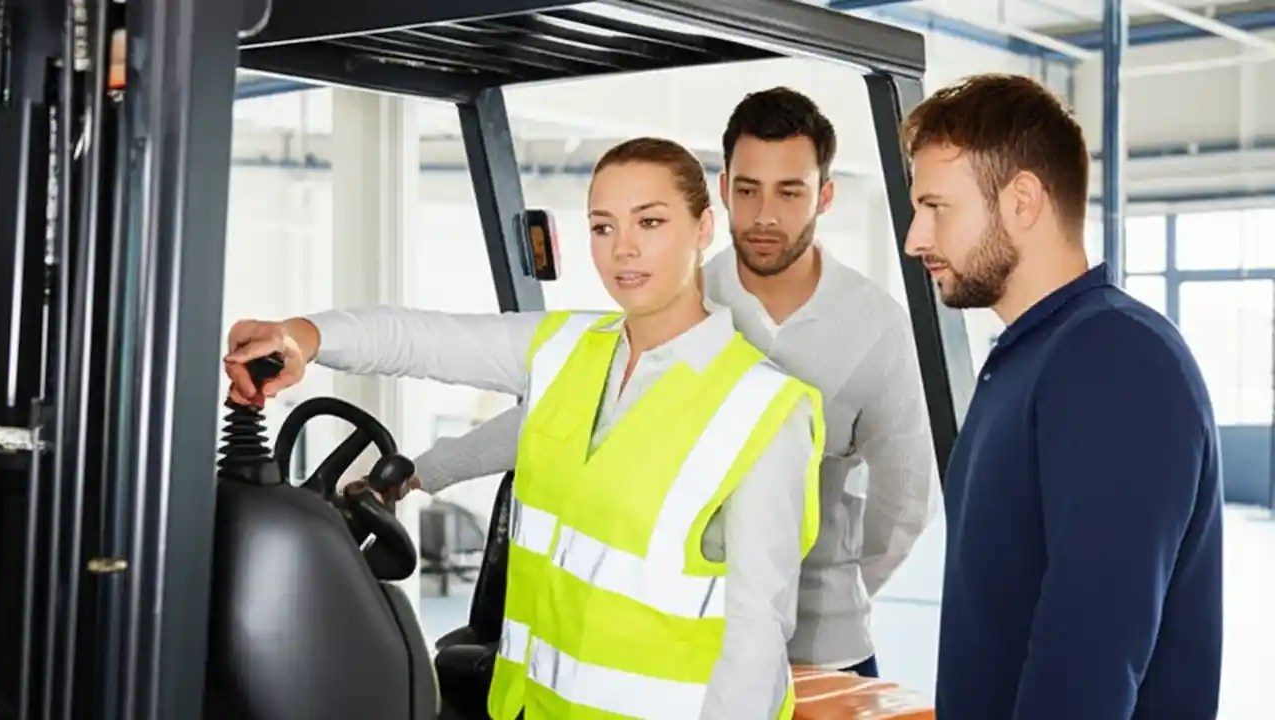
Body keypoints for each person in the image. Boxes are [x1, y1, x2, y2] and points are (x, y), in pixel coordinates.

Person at [223, 137, 825, 720]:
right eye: (602, 226)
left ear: (701, 229)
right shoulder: (566, 352)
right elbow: (424, 341)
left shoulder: (762, 410)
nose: (622, 250)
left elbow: (756, 639)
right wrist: (305, 336)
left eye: (650, 223)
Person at [410, 86, 937, 678]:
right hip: (685, 649)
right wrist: (427, 470)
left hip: (826, 649)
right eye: (747, 190)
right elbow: (562, 411)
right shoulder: (680, 297)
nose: (765, 215)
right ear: (722, 193)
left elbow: (904, 501)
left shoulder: (877, 327)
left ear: (826, 196)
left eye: (790, 192)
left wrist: (829, 587)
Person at [902, 73, 1223, 718]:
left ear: (1023, 201)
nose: (916, 238)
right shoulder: (1029, 359)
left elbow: (1089, 657)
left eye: (937, 208)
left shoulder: (1115, 360)